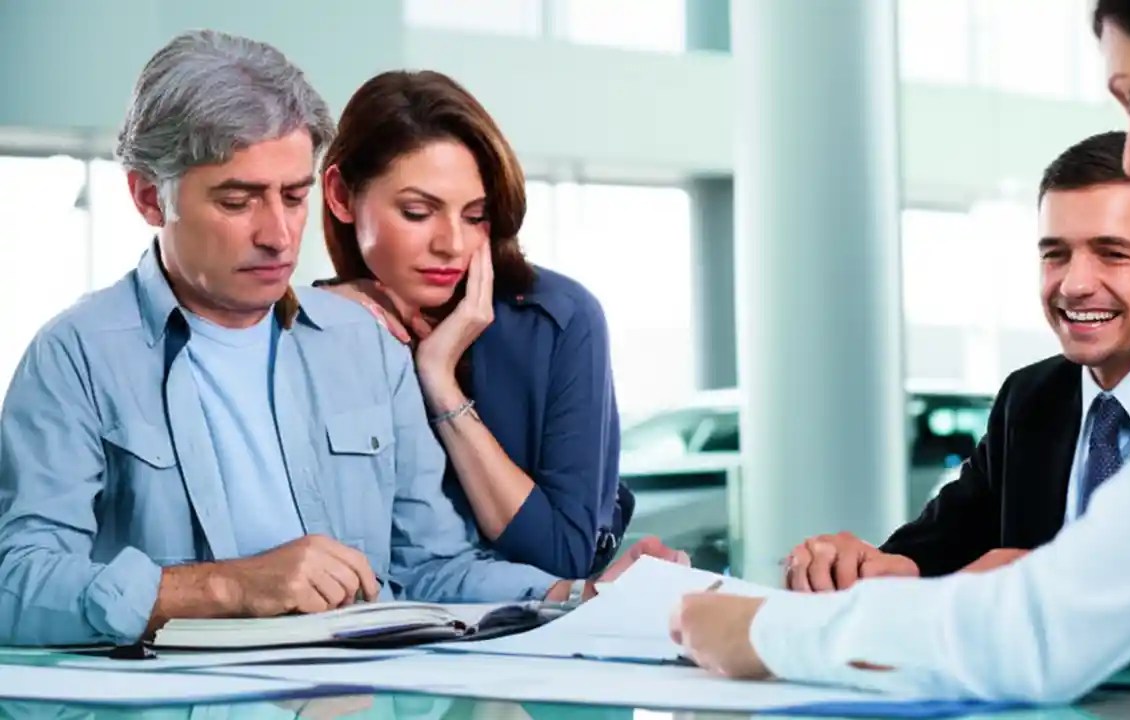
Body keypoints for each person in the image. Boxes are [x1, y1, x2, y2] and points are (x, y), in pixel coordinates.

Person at [671, 0, 1130, 701]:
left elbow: (1053, 627)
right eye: (1055, 253)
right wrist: (891, 572)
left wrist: (764, 634)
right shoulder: (1033, 398)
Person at [0, 30, 679, 648]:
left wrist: (577, 598)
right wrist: (228, 588)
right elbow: (17, 584)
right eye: (238, 201)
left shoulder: (367, 345)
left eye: (292, 197)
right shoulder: (77, 355)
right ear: (150, 198)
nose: (277, 235)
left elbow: (434, 571)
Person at [784, 131, 1130, 660]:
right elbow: (945, 542)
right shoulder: (1030, 397)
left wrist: (1046, 591)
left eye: (1112, 254)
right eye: (1055, 255)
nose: (1074, 285)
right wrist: (871, 566)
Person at [316, 70, 628, 579]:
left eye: (475, 215)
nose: (452, 245)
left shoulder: (560, 321)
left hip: (530, 639)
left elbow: (564, 556)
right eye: (418, 212)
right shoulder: (316, 327)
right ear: (341, 196)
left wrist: (439, 381)